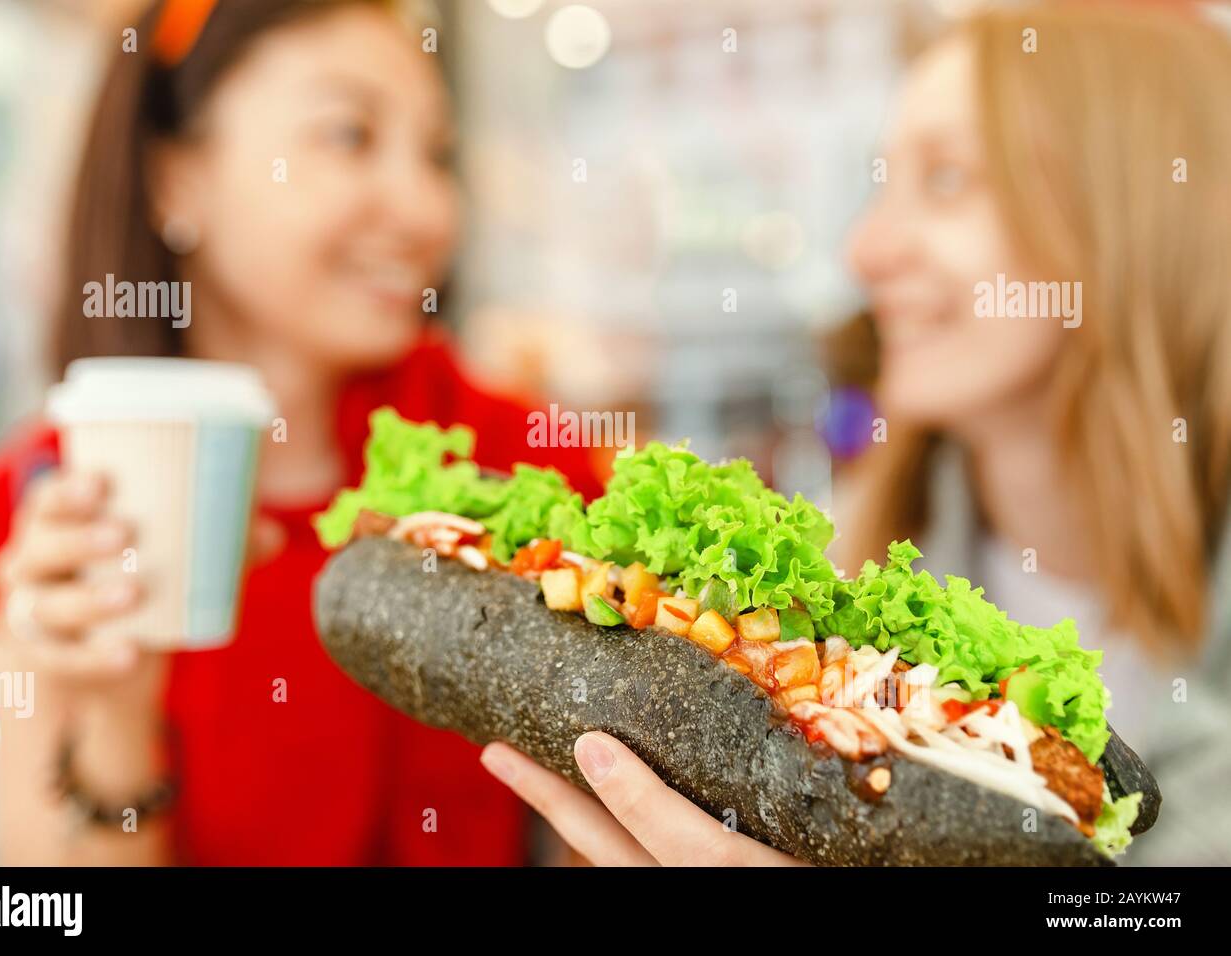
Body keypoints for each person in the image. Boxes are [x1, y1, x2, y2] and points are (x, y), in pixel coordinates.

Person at [486, 1, 1231, 866]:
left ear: (1135, 219)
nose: (868, 251)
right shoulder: (834, 590)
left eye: (946, 180)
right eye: (884, 183)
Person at [0, 0, 600, 866]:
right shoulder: (21, 529)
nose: (428, 208)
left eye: (437, 155)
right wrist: (114, 715)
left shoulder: (522, 461)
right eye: (350, 135)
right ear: (177, 177)